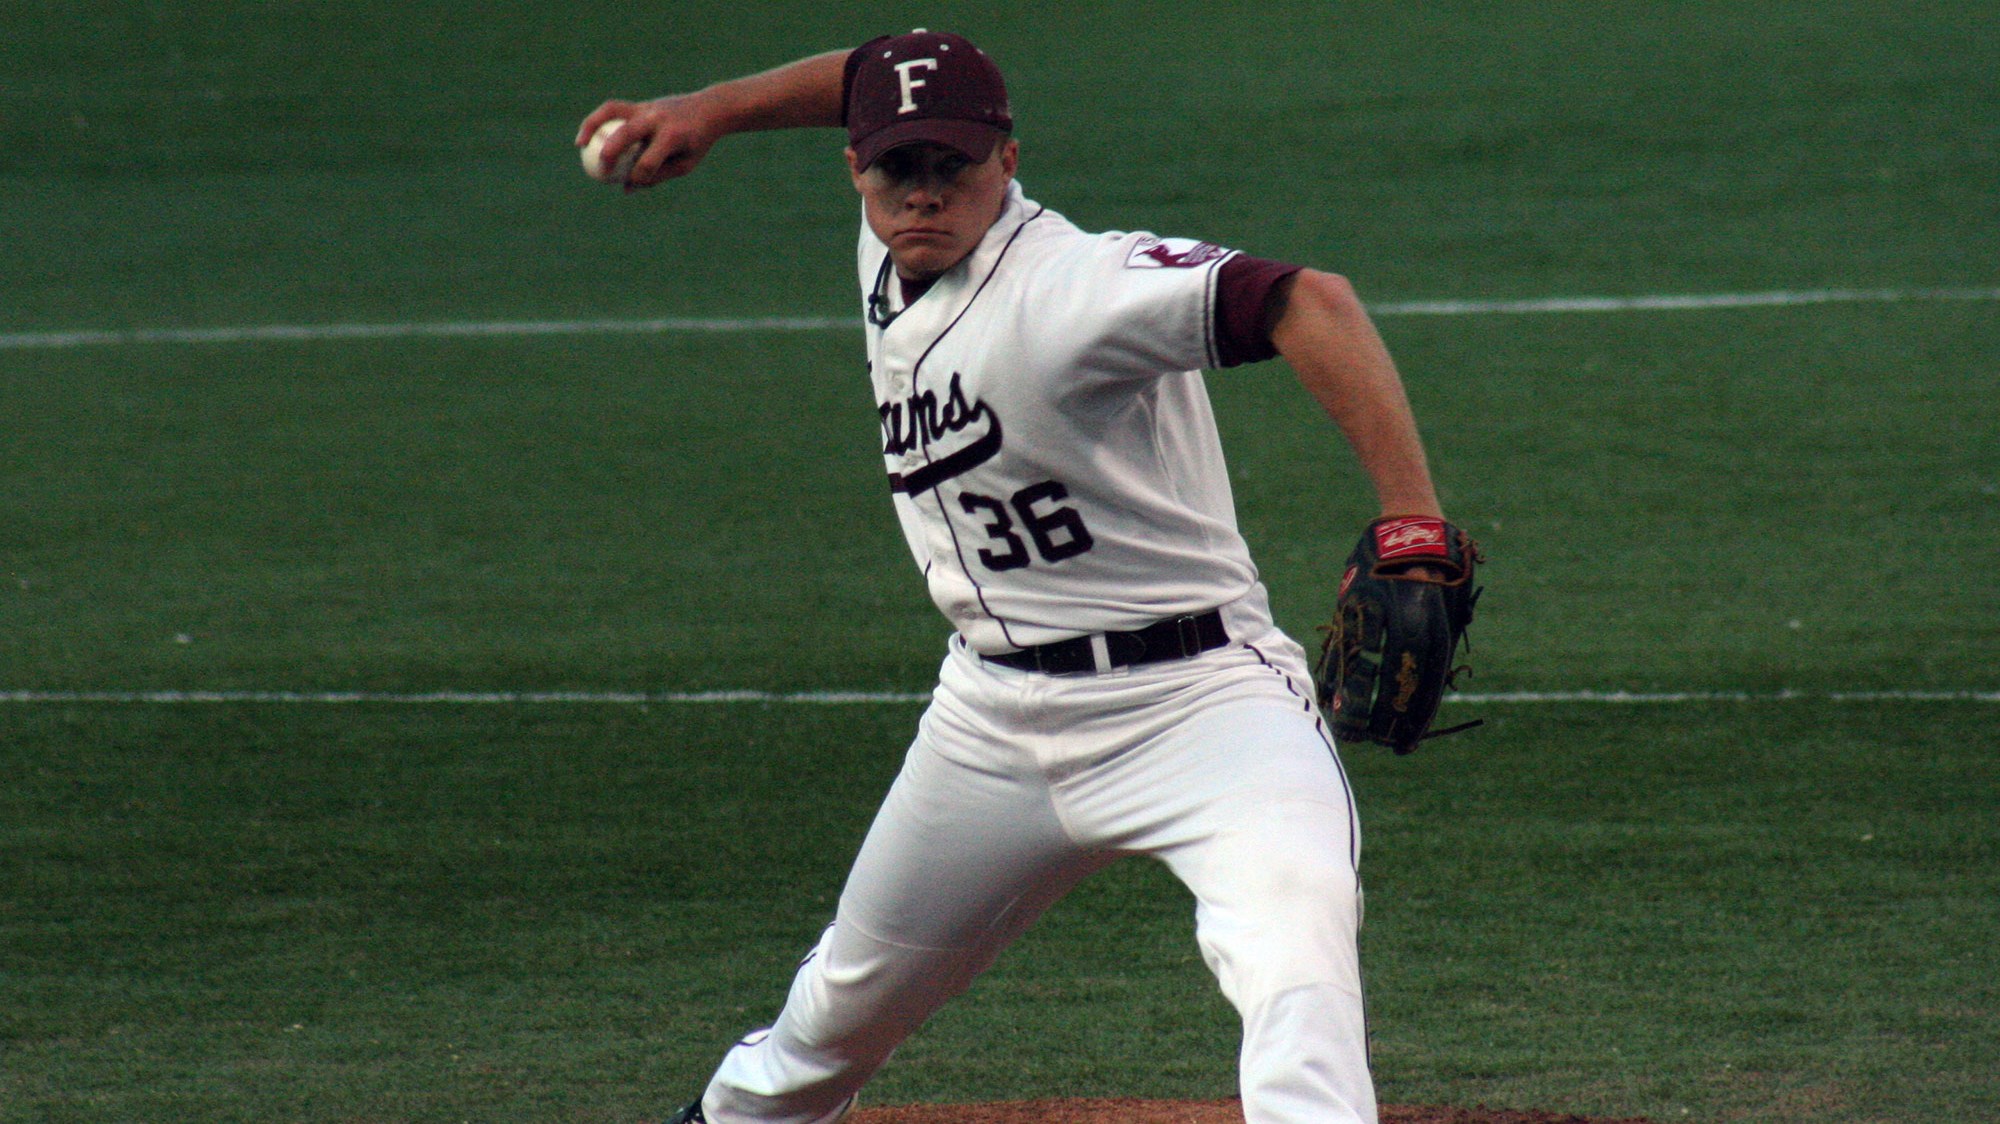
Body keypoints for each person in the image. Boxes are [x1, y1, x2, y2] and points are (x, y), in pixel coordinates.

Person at [578, 29, 1449, 1124]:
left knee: (1295, 951)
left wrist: (1410, 521)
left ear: (1008, 160)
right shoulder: (887, 238)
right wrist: (708, 107)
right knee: (836, 1013)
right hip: (989, 719)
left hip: (1200, 704)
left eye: (954, 166)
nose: (924, 195)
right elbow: (861, 76)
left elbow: (1306, 301)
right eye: (898, 168)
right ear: (856, 169)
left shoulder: (1078, 286)